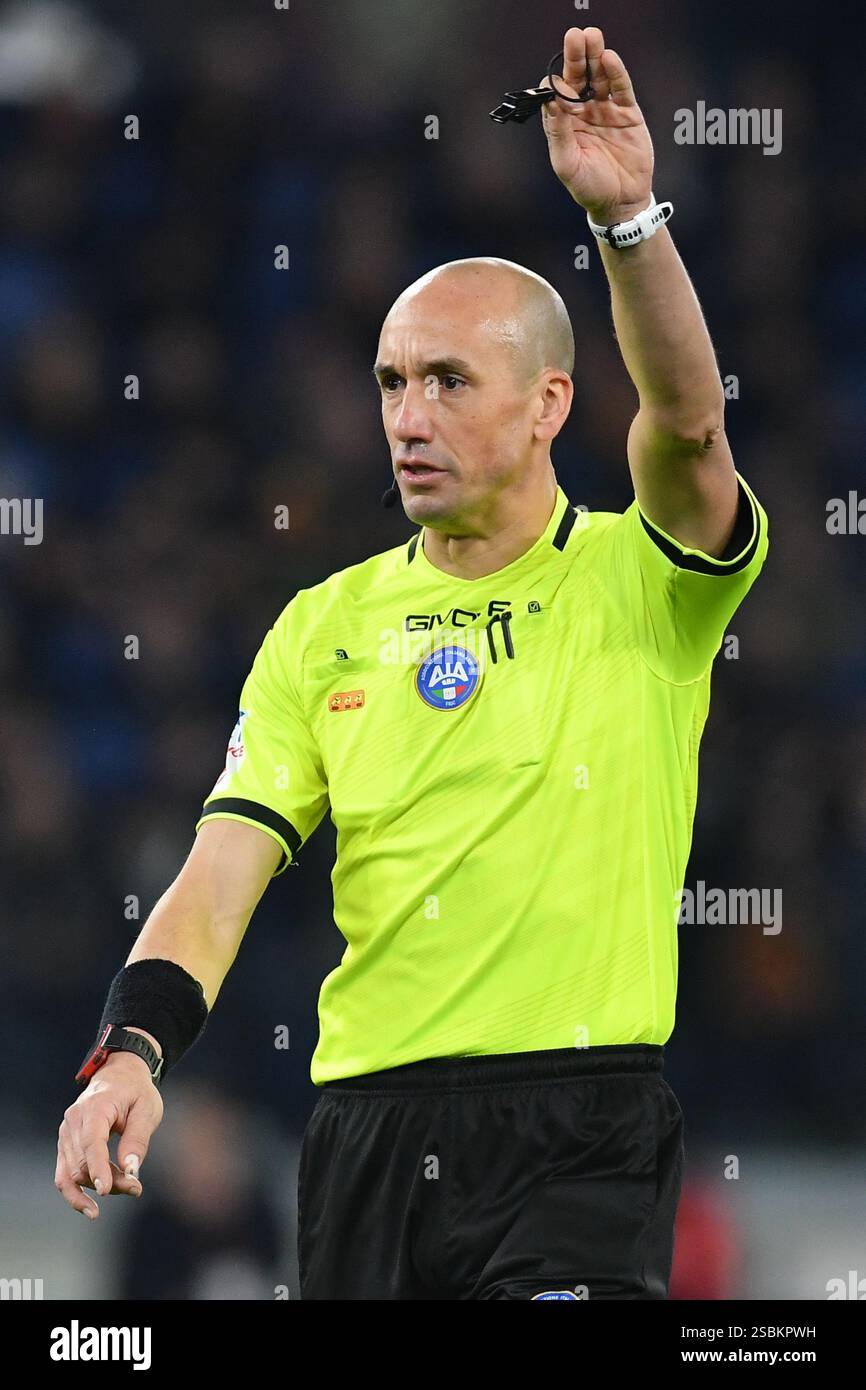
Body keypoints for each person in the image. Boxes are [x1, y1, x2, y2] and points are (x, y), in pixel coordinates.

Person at [56, 25, 768, 1300]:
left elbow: (689, 420)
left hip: (578, 1133)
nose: (405, 415)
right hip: (367, 1138)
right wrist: (130, 1054)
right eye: (389, 381)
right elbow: (218, 882)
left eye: (446, 379)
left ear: (549, 405)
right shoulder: (321, 623)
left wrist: (625, 225)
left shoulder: (641, 577)